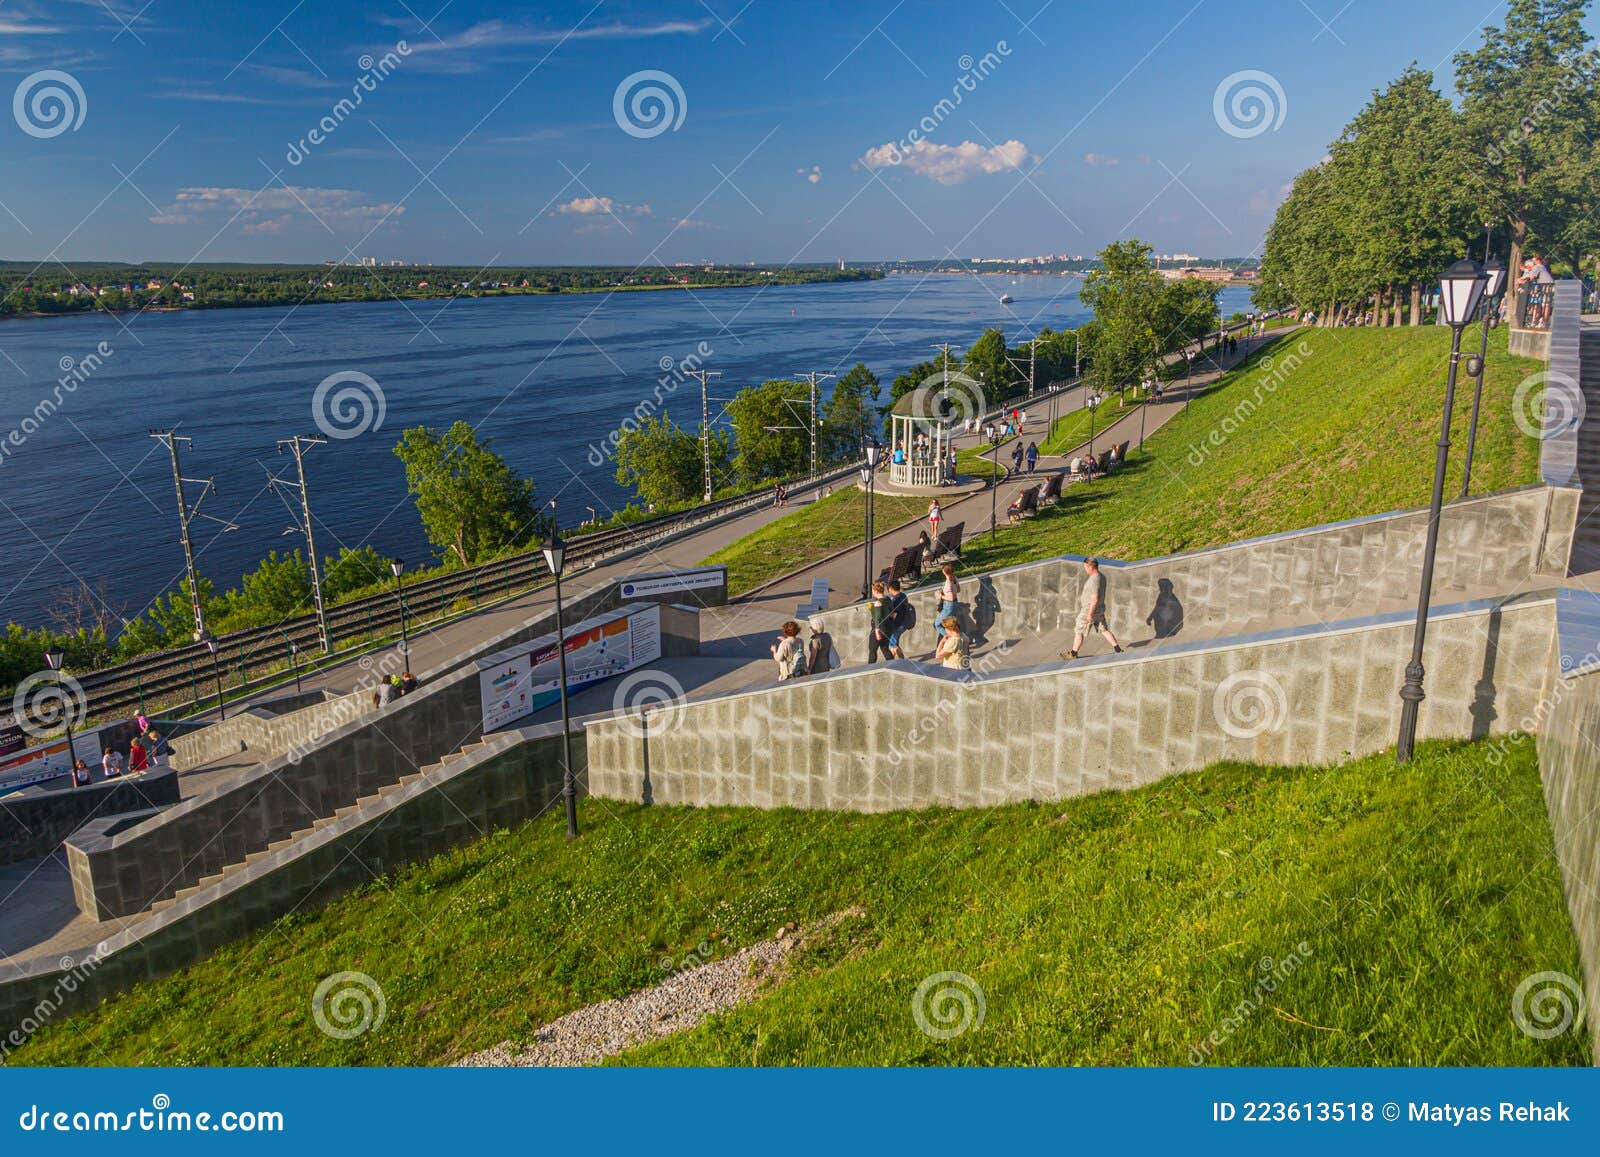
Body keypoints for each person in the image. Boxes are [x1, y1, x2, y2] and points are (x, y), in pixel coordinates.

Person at [1060, 556, 1122, 659]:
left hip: (1089, 610)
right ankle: (1118, 650)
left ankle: (1073, 654)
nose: (1084, 568)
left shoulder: (1094, 579)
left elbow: (1095, 598)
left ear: (1090, 567)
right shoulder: (1102, 576)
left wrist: (1089, 614)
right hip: (1099, 609)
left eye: (1085, 566)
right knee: (1104, 629)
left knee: (1079, 631)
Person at [884, 579, 911, 659]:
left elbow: (894, 615)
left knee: (892, 645)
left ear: (891, 589)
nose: (888, 591)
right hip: (904, 623)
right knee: (895, 644)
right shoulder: (903, 595)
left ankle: (890, 663)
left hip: (898, 625)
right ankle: (902, 660)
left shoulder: (896, 600)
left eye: (888, 589)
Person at [868, 582, 894, 663]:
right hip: (887, 628)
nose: (872, 592)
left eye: (872, 590)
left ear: (876, 591)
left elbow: (878, 618)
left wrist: (877, 632)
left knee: (872, 650)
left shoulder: (877, 603)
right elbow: (892, 614)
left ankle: (870, 668)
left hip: (879, 628)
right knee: (885, 648)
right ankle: (892, 664)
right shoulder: (888, 599)